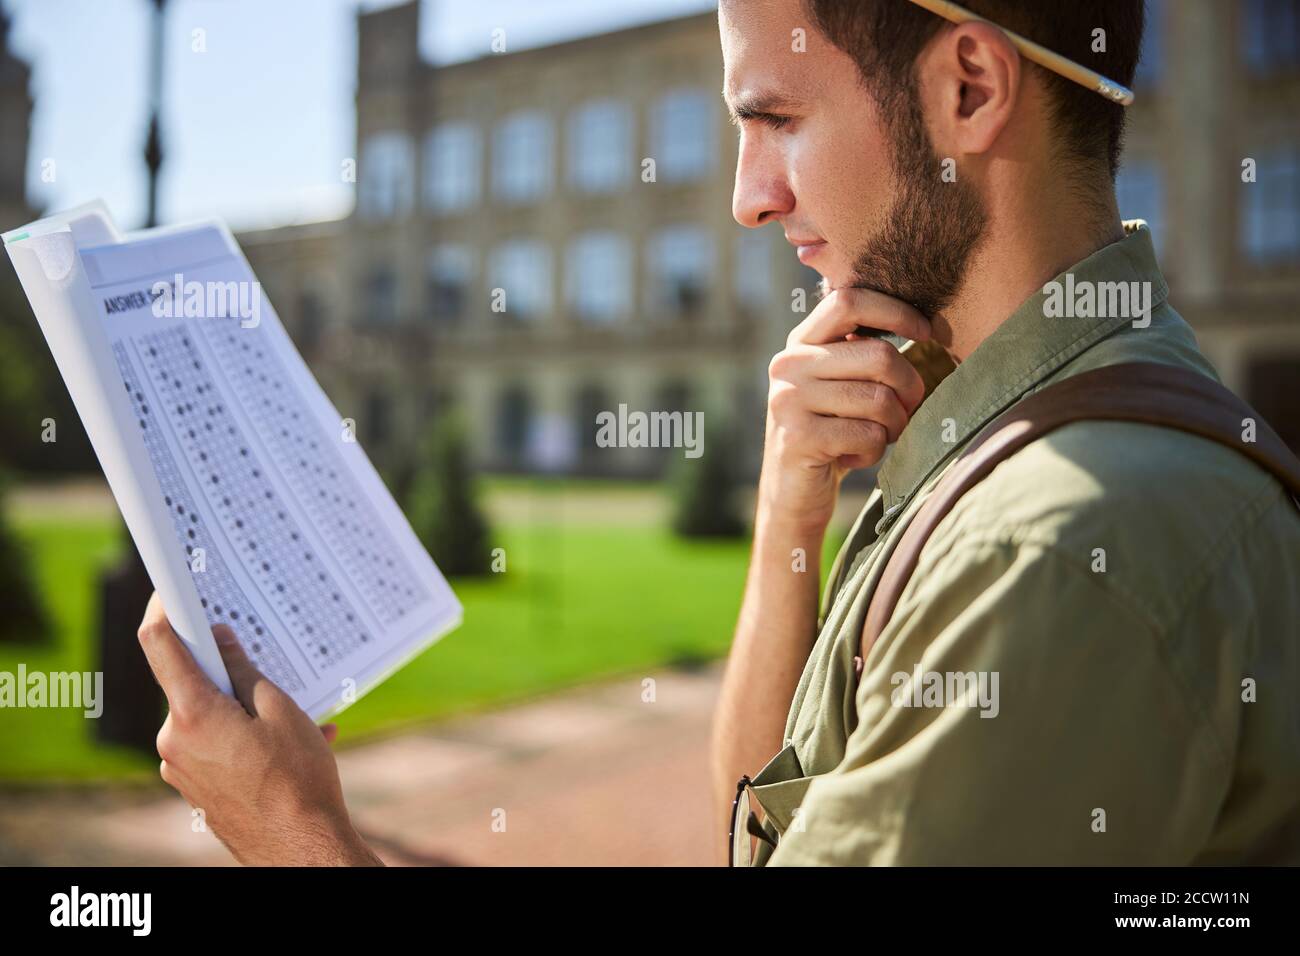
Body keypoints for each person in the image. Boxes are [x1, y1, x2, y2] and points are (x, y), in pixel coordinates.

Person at [137, 0, 1300, 867]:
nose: (745, 198)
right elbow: (752, 830)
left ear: (967, 90)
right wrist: (787, 506)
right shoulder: (1009, 431)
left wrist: (294, 836)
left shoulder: (1050, 545)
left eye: (778, 119)